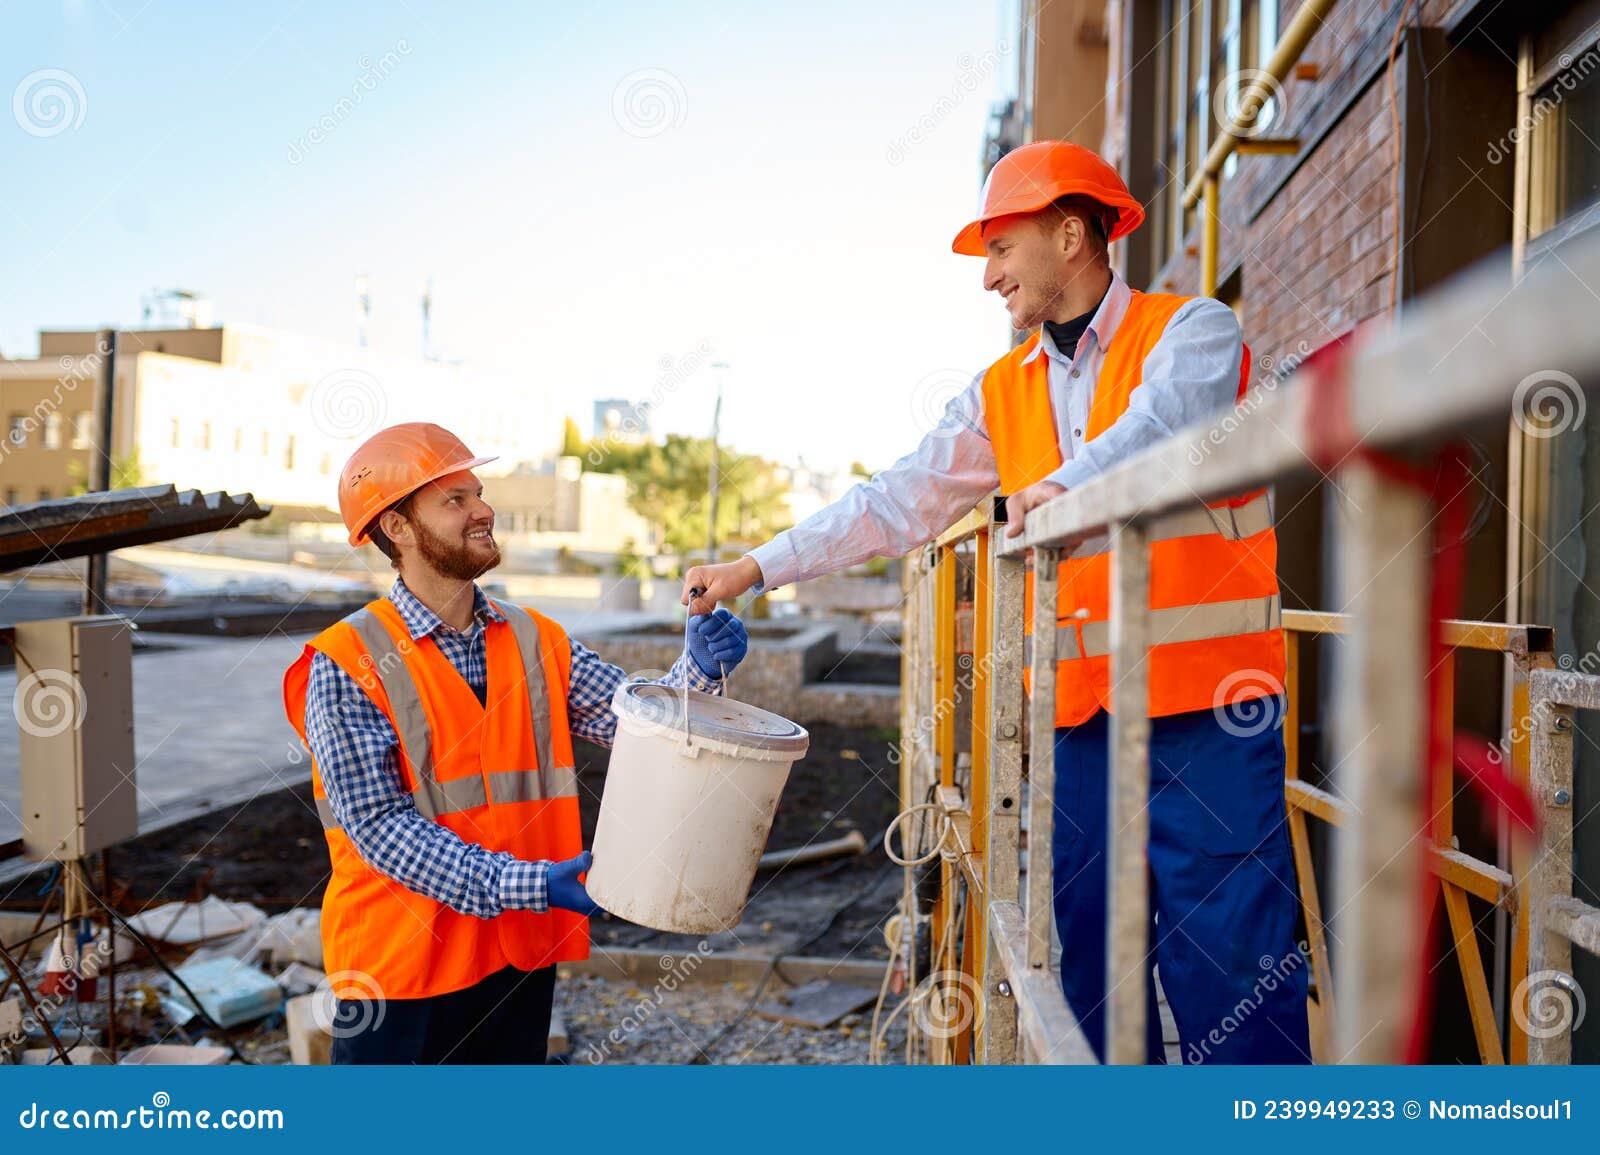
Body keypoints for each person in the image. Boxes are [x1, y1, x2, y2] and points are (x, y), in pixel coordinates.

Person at [681, 140, 1307, 1064]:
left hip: (1207, 716)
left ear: (1069, 232)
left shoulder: (1194, 332)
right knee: (1089, 984)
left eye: (1001, 249)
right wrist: (757, 567)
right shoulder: (1000, 391)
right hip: (1079, 725)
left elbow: (1162, 427)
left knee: (1231, 972)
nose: (989, 277)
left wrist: (1066, 489)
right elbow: (896, 499)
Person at [284, 422, 749, 1064]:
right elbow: (381, 829)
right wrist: (529, 884)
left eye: (477, 492)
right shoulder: (348, 660)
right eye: (454, 500)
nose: (483, 510)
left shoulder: (535, 638)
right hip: (401, 975)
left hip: (516, 961)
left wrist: (697, 671)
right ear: (395, 526)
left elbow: (640, 728)